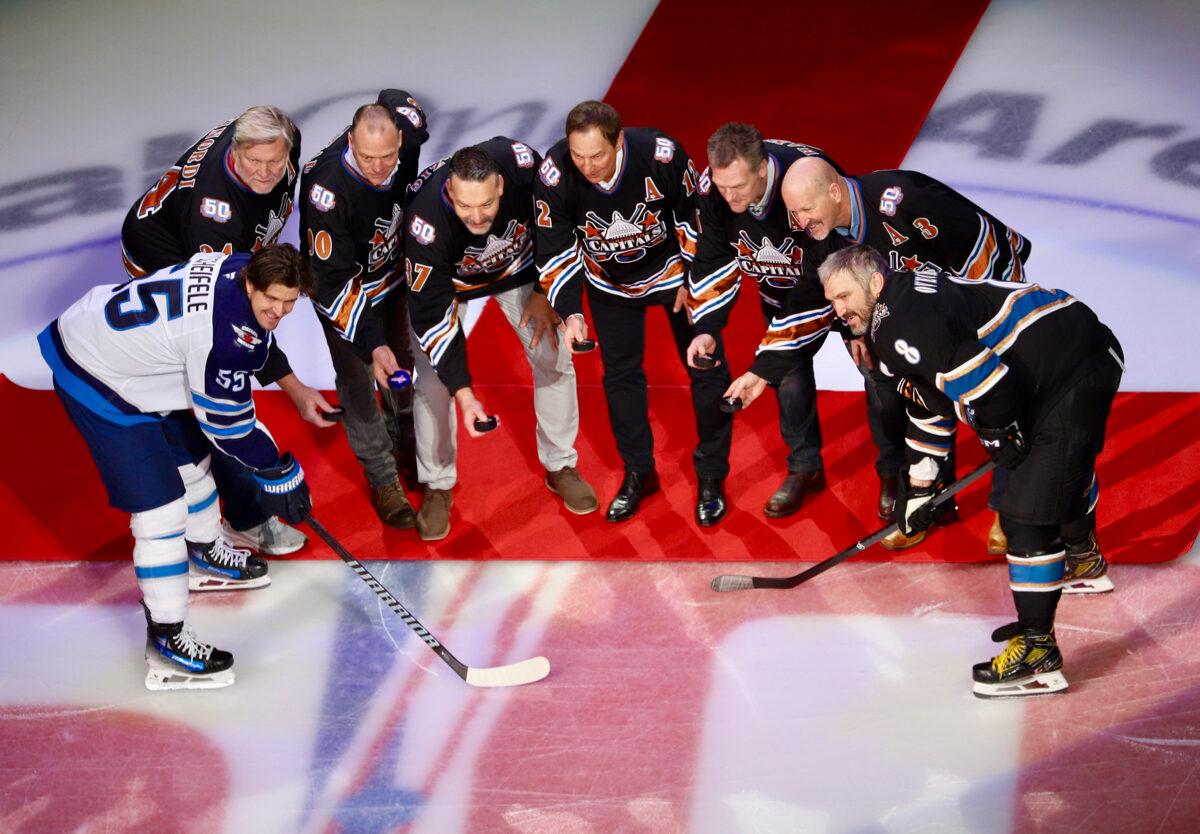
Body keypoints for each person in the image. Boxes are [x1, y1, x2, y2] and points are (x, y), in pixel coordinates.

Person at [818, 245, 1122, 697]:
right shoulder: (894, 311)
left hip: (1069, 368)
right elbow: (932, 408)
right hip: (1065, 352)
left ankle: (1039, 654)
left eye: (844, 297)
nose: (839, 310)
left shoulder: (899, 323)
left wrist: (999, 434)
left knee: (1025, 513)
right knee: (1053, 476)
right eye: (832, 301)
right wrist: (921, 490)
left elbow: (992, 390)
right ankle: (1083, 558)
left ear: (874, 283)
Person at [38, 244, 316, 690]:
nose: (280, 311)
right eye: (272, 300)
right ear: (250, 284)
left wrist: (275, 471)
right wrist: (279, 471)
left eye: (290, 301)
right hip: (95, 372)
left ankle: (203, 551)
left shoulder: (244, 266)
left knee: (193, 459)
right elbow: (230, 428)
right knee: (161, 514)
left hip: (131, 350)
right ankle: (166, 643)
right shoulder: (224, 337)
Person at [780, 157, 1035, 554]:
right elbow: (817, 295)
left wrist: (994, 319)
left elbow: (984, 243)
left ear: (834, 192)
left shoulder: (902, 199)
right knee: (922, 397)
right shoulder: (823, 231)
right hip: (918, 317)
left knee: (994, 398)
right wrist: (853, 331)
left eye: (806, 209)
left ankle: (1011, 509)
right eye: (793, 213)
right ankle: (927, 503)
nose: (800, 222)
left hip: (976, 300)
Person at [120, 104, 330, 556]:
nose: (267, 172)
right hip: (165, 260)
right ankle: (248, 517)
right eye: (254, 162)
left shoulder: (281, 136)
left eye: (276, 161)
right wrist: (295, 388)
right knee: (215, 390)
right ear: (235, 150)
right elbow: (234, 315)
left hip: (215, 245)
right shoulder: (215, 218)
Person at [534, 101, 733, 526]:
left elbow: (699, 219)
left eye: (597, 155)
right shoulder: (554, 172)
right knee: (621, 374)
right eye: (578, 155)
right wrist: (570, 312)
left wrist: (692, 279)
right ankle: (639, 472)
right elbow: (554, 248)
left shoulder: (661, 154)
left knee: (706, 364)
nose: (587, 166)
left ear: (619, 141)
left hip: (676, 274)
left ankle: (713, 476)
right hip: (609, 283)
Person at [405, 138, 597, 540]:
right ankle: (438, 485)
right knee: (432, 379)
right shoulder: (425, 225)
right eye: (465, 206)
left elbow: (559, 226)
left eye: (487, 204)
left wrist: (547, 292)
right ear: (450, 193)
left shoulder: (525, 168)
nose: (476, 217)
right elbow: (432, 321)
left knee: (554, 353)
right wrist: (465, 392)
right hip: (450, 283)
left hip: (521, 267)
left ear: (502, 187)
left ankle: (560, 464)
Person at [687, 123, 847, 518]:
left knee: (879, 378)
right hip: (780, 294)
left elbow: (834, 257)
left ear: (763, 169)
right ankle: (805, 468)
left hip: (844, 288)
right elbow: (710, 256)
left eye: (737, 186)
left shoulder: (807, 175)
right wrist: (706, 328)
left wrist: (853, 319)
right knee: (789, 381)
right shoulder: (716, 189)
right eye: (722, 187)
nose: (729, 196)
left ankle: (895, 478)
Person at [300, 90, 429, 529]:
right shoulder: (326, 190)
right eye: (368, 157)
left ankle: (407, 440)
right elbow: (332, 281)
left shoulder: (405, 138)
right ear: (350, 143)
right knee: (358, 377)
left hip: (389, 276)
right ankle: (382, 476)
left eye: (388, 156)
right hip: (341, 289)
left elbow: (396, 98)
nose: (379, 168)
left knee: (402, 360)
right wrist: (369, 343)